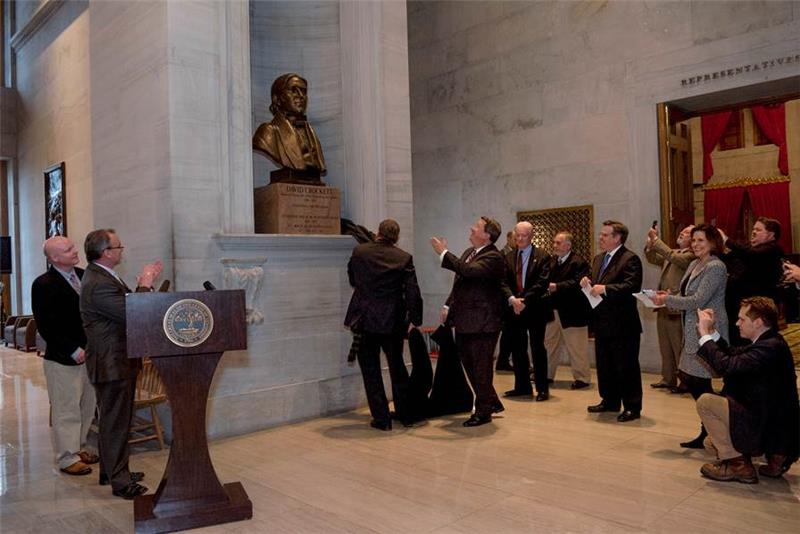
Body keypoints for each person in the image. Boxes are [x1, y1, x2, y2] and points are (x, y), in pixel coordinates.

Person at [80, 229, 162, 499]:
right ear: (106, 253)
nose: (121, 250)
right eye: (118, 246)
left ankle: (111, 470)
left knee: (113, 420)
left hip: (116, 360)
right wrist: (146, 283)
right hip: (112, 362)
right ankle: (121, 482)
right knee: (116, 422)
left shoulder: (101, 275)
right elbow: (135, 313)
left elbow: (127, 307)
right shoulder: (99, 282)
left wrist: (141, 286)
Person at [695, 298, 799, 483]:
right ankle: (776, 458)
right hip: (772, 422)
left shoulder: (768, 347)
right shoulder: (770, 341)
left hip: (764, 422)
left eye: (742, 319)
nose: (737, 323)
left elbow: (725, 366)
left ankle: (738, 466)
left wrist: (703, 334)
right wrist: (712, 333)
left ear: (758, 322)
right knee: (711, 443)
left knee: (706, 402)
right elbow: (734, 355)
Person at [650, 224, 728, 449]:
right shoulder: (694, 263)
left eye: (701, 240)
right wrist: (667, 295)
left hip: (708, 327)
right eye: (693, 240)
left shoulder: (716, 266)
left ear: (713, 242)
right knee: (691, 377)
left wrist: (667, 301)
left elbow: (698, 300)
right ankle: (709, 428)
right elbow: (686, 294)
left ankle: (715, 429)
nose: (695, 244)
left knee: (697, 379)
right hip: (692, 326)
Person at [344, 219, 423, 430]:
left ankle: (382, 418)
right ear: (396, 237)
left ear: (378, 232)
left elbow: (353, 279)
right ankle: (405, 415)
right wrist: (416, 320)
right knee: (397, 367)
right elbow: (413, 292)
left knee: (370, 371)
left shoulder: (360, 252)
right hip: (393, 321)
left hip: (365, 320)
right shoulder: (404, 257)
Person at [31, 236, 99, 476]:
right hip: (63, 359)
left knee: (86, 406)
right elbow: (46, 325)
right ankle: (66, 457)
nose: (74, 251)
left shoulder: (84, 275)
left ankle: (79, 448)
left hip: (91, 355)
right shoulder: (43, 284)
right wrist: (73, 349)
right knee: (66, 409)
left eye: (72, 246)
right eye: (67, 249)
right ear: (54, 258)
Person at [431, 216, 505, 427]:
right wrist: (448, 305)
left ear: (487, 235)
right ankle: (491, 401)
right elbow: (460, 284)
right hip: (465, 321)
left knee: (481, 368)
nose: (472, 228)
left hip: (483, 323)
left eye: (477, 227)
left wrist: (444, 253)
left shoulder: (493, 257)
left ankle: (483, 412)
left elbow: (469, 271)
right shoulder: (468, 253)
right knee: (470, 366)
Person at [581, 220, 643, 422]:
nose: (600, 237)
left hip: (623, 324)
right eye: (601, 234)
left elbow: (631, 286)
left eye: (605, 235)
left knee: (626, 367)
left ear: (617, 238)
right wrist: (587, 284)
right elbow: (595, 284)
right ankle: (609, 400)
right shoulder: (599, 258)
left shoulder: (630, 259)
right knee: (605, 365)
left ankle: (632, 406)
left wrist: (605, 289)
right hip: (602, 322)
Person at [500, 221, 551, 401]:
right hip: (514, 309)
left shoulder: (543, 256)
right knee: (517, 349)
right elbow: (502, 282)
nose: (520, 239)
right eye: (517, 236)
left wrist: (525, 300)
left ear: (531, 236)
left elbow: (542, 283)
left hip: (535, 309)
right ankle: (522, 387)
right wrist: (513, 299)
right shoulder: (507, 257)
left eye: (524, 236)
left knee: (537, 349)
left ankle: (542, 388)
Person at [644, 224, 695, 391]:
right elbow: (653, 258)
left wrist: (657, 240)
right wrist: (650, 245)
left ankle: (685, 382)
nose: (682, 232)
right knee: (665, 345)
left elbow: (674, 258)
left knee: (678, 345)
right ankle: (668, 378)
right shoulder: (673, 253)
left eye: (687, 232)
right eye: (682, 230)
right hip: (663, 304)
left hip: (677, 305)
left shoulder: (691, 255)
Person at [720, 217, 784, 345]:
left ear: (771, 235)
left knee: (755, 343)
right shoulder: (750, 248)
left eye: (758, 230)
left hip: (757, 311)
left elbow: (750, 255)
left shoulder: (773, 249)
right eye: (753, 229)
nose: (753, 232)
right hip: (738, 306)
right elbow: (729, 259)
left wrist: (726, 240)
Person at [252, 73, 326, 182]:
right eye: (294, 90)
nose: (301, 95)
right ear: (277, 99)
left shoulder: (311, 132)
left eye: (304, 91)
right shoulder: (268, 132)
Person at [543, 231, 591, 390]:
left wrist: (557, 286)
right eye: (554, 242)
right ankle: (547, 375)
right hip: (552, 310)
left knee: (577, 347)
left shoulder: (579, 262)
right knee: (549, 345)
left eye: (558, 243)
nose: (554, 245)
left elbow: (579, 283)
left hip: (573, 312)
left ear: (568, 245)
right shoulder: (552, 261)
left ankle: (582, 378)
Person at [495, 230, 516, 372]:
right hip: (504, 300)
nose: (518, 240)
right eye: (516, 238)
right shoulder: (501, 255)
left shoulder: (516, 254)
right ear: (508, 239)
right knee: (508, 332)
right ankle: (502, 361)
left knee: (510, 332)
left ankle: (504, 360)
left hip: (512, 299)